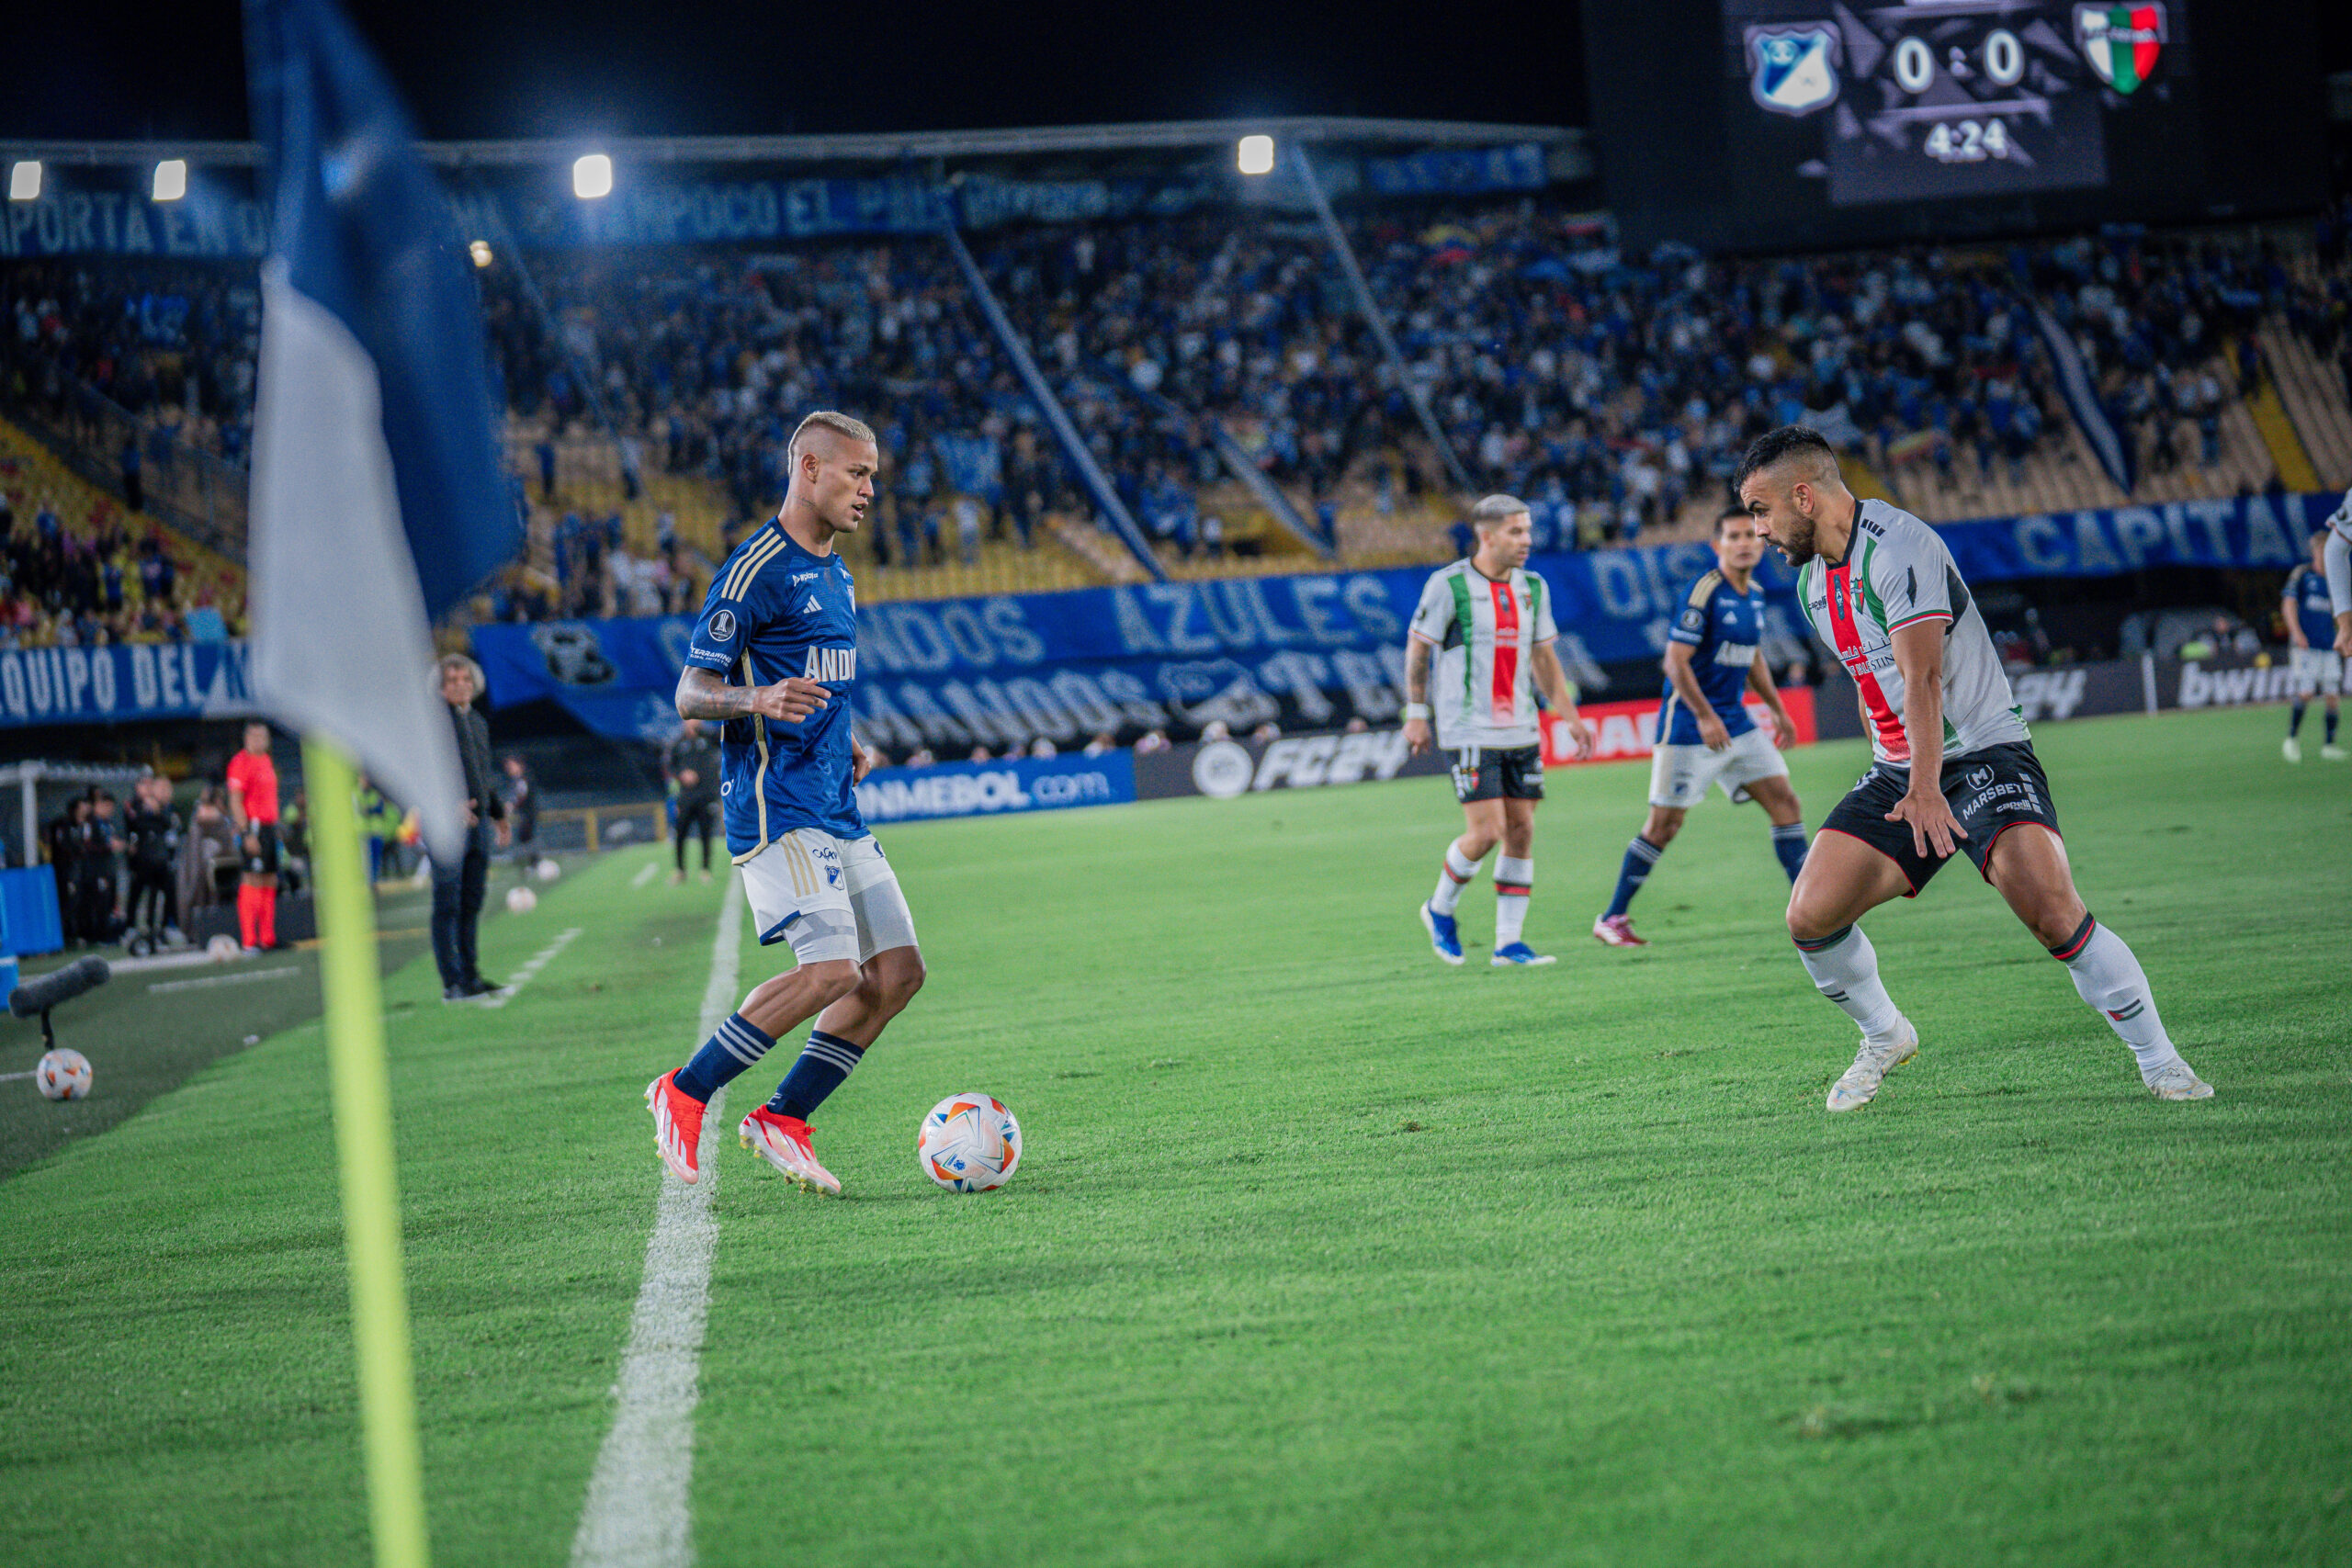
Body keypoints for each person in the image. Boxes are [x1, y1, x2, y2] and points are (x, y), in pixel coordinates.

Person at [1735, 425, 2211, 1109]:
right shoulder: (1813, 585)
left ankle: (2162, 1061)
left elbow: (1922, 676)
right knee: (1810, 914)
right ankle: (1885, 1034)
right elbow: (1879, 689)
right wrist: (1900, 776)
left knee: (2051, 911)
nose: (1759, 530)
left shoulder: (1901, 547)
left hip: (1983, 750)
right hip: (1902, 767)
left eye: (1761, 510)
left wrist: (1929, 788)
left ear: (1803, 496)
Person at [644, 410, 922, 1196]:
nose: (870, 489)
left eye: (872, 475)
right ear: (807, 468)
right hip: (776, 806)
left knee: (897, 974)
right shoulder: (753, 569)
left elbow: (821, 677)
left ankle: (783, 1117)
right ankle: (686, 1088)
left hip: (834, 796)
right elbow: (690, 693)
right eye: (856, 473)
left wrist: (849, 734)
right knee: (833, 970)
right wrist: (759, 697)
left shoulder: (836, 572)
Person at [1595, 506, 1808, 945]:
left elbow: (1752, 657)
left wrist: (1777, 708)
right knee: (1664, 827)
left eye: (1750, 535)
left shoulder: (1754, 595)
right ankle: (1612, 918)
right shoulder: (1705, 591)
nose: (1744, 543)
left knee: (1786, 804)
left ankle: (1811, 906)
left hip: (1738, 722)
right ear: (1718, 547)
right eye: (1733, 537)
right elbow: (1674, 662)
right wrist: (1706, 716)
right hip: (1691, 727)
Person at [1403, 494, 1597, 968]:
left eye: (1528, 531)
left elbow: (1544, 659)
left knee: (1521, 830)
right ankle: (1439, 908)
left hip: (1522, 728)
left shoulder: (1533, 586)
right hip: (1468, 727)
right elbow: (1419, 648)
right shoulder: (1448, 585)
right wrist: (1414, 710)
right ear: (1486, 536)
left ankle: (1508, 943)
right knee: (1486, 831)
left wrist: (1568, 716)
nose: (1527, 540)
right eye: (1516, 532)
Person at [434, 654, 508, 1001]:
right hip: (448, 826)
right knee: (447, 901)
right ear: (440, 687)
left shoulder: (476, 721)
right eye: (452, 680)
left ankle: (471, 975)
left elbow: (484, 775)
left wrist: (498, 813)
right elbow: (426, 772)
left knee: (472, 900)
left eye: (465, 679)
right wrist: (450, 805)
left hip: (478, 826)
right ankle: (452, 981)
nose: (460, 685)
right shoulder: (433, 724)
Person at [2282, 531, 2346, 762]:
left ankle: (2329, 745)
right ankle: (2291, 739)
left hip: (2328, 645)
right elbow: (2288, 604)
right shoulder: (2302, 575)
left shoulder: (2336, 578)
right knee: (2307, 692)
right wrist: (2297, 633)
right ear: (2315, 551)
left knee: (2332, 697)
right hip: (2305, 646)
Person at [225, 721, 282, 953]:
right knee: (253, 878)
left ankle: (267, 938)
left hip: (269, 827)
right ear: (247, 738)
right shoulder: (240, 763)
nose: (260, 740)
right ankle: (250, 940)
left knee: (270, 878)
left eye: (264, 736)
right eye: (255, 736)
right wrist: (246, 832)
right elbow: (235, 801)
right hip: (254, 827)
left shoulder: (266, 760)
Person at [124, 776, 185, 945]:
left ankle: (165, 926)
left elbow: (171, 825)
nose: (166, 793)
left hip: (165, 858)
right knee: (142, 892)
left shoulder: (169, 809)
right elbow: (140, 825)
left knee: (168, 892)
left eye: (168, 789)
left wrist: (159, 813)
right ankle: (136, 927)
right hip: (145, 860)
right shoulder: (140, 806)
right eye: (162, 789)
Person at [665, 719, 721, 884]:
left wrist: (701, 731)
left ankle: (705, 869)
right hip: (686, 797)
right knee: (680, 833)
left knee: (706, 833)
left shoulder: (709, 738)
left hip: (706, 795)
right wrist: (682, 774)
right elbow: (670, 766)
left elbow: (721, 742)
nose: (691, 722)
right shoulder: (678, 742)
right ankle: (680, 870)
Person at [500, 756, 539, 880]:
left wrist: (510, 806)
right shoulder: (516, 780)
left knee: (526, 836)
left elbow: (520, 795)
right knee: (525, 836)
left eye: (511, 765)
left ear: (519, 765)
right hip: (525, 812)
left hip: (529, 812)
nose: (509, 769)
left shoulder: (523, 778)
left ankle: (535, 863)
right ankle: (533, 863)